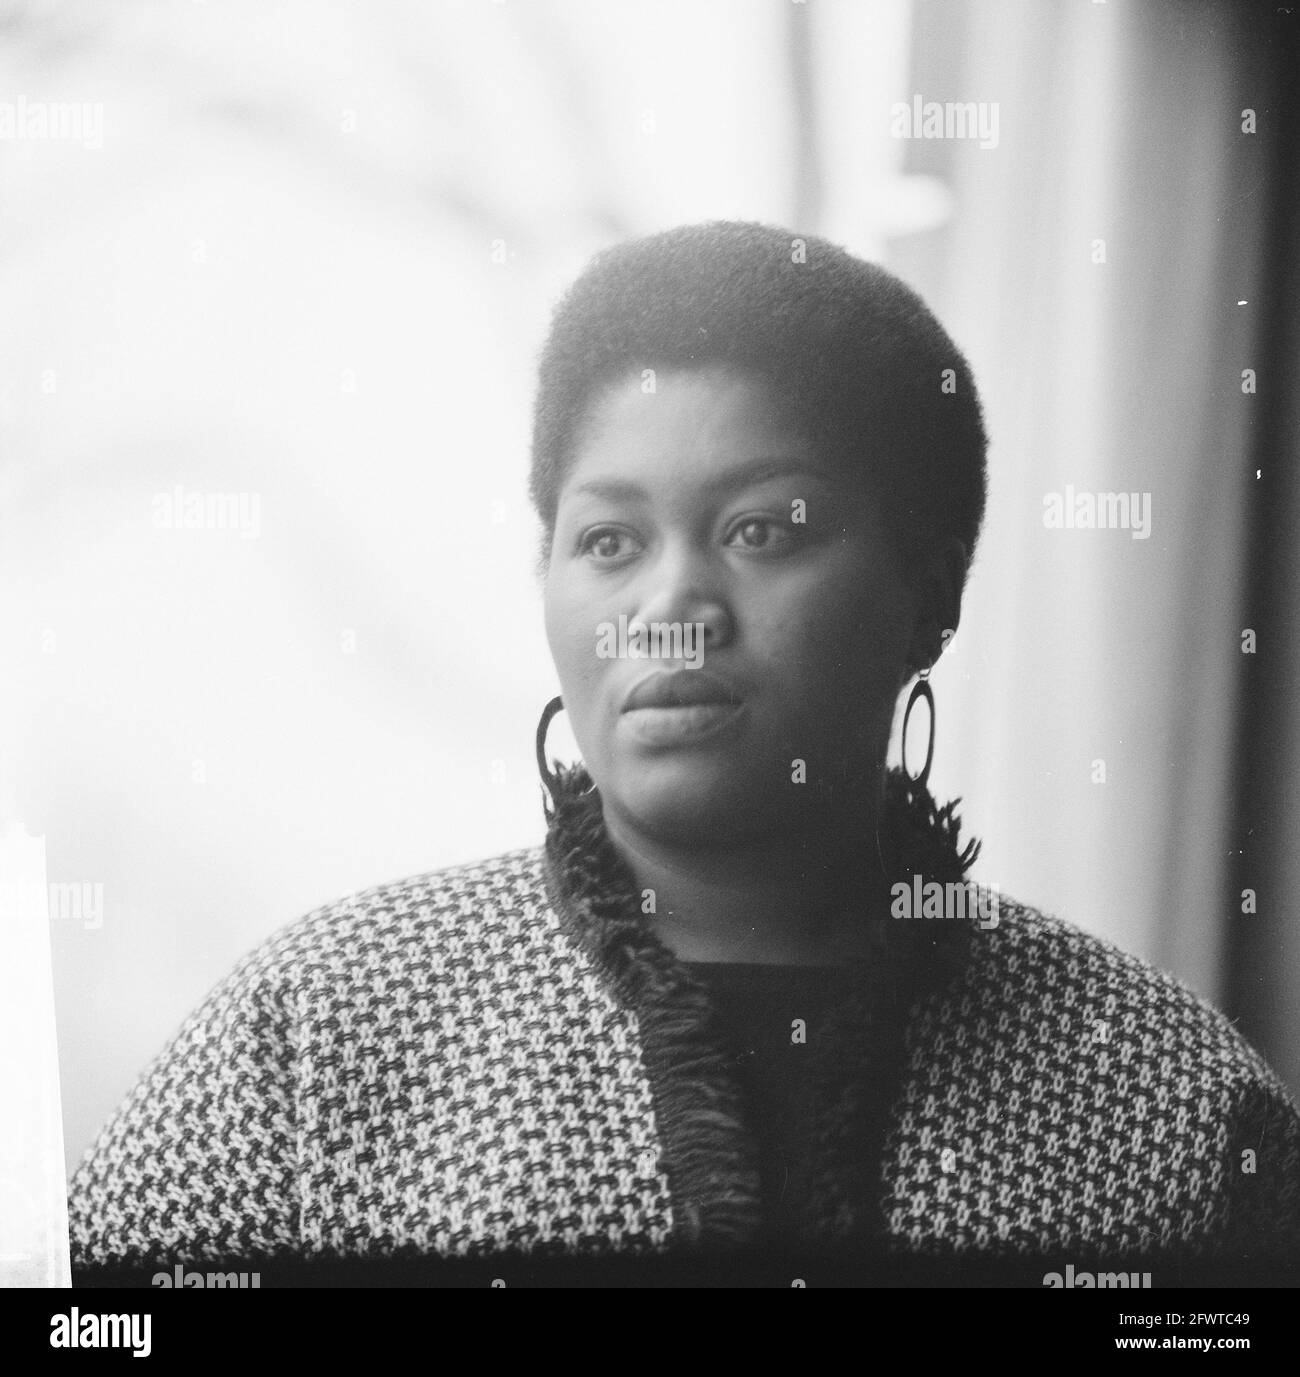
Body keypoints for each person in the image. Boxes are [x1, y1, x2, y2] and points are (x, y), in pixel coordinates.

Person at [67, 221, 1300, 1283]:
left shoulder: (1170, 1113)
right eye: (608, 543)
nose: (671, 606)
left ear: (929, 593)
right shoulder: (311, 1039)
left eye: (761, 529)